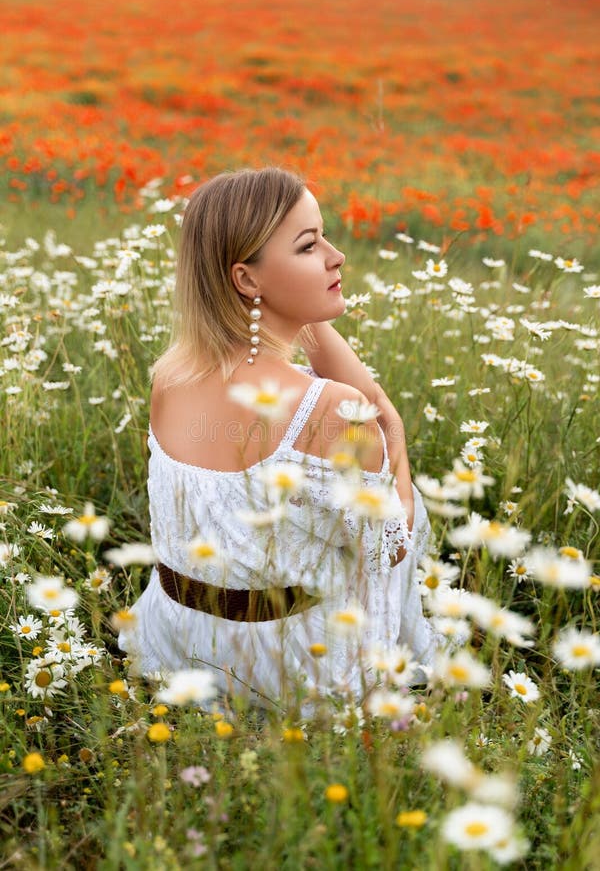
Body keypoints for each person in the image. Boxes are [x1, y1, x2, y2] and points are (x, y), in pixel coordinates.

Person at [118, 167, 441, 709]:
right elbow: (392, 547)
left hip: (176, 636)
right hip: (282, 671)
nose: (336, 256)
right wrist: (395, 433)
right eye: (310, 245)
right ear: (246, 280)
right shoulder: (329, 411)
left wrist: (292, 311)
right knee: (398, 496)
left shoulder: (169, 377)